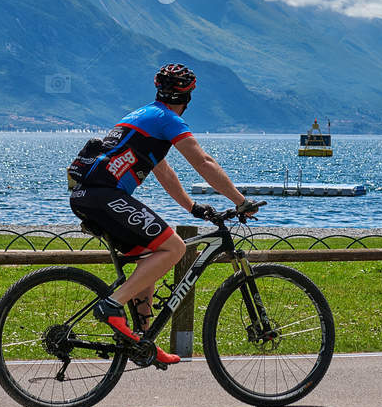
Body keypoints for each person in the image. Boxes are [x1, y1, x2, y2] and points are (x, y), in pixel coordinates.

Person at [66, 64, 252, 365]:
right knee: (175, 247)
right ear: (188, 96)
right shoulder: (167, 119)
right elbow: (203, 162)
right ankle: (113, 304)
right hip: (104, 195)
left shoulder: (144, 115)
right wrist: (241, 201)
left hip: (88, 195)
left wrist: (192, 207)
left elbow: (163, 171)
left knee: (149, 255)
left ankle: (141, 340)